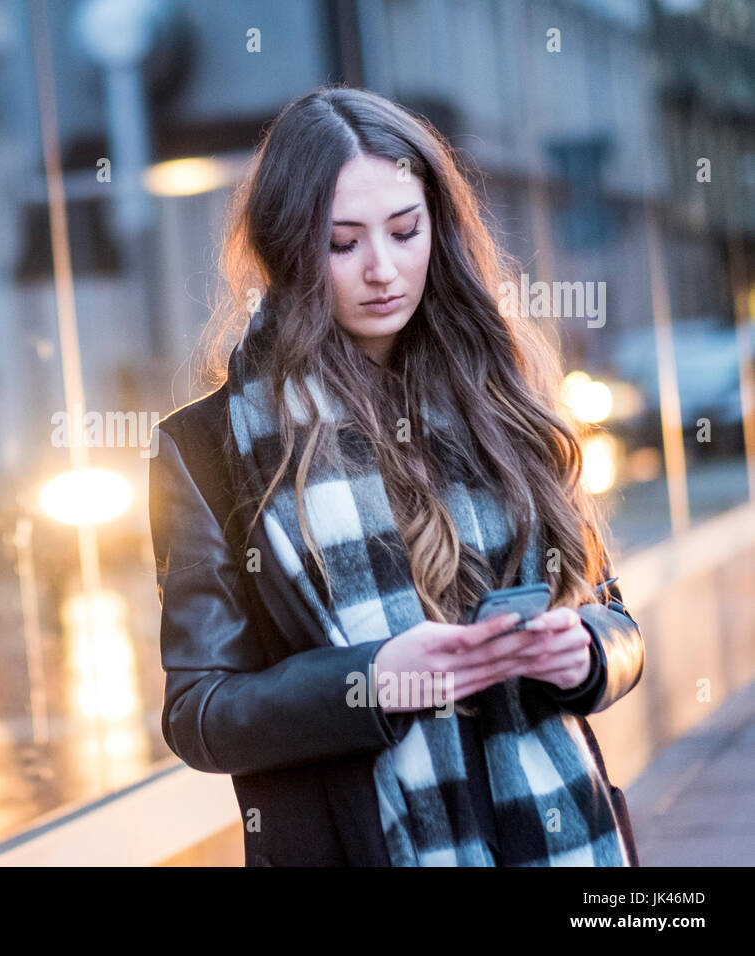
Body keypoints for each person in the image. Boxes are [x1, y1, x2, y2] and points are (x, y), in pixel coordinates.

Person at [148, 86, 645, 867]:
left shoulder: (502, 400)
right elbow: (201, 713)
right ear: (285, 250)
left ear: (437, 232)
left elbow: (615, 621)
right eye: (342, 243)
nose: (383, 270)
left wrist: (583, 653)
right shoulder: (210, 448)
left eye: (405, 231)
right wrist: (369, 680)